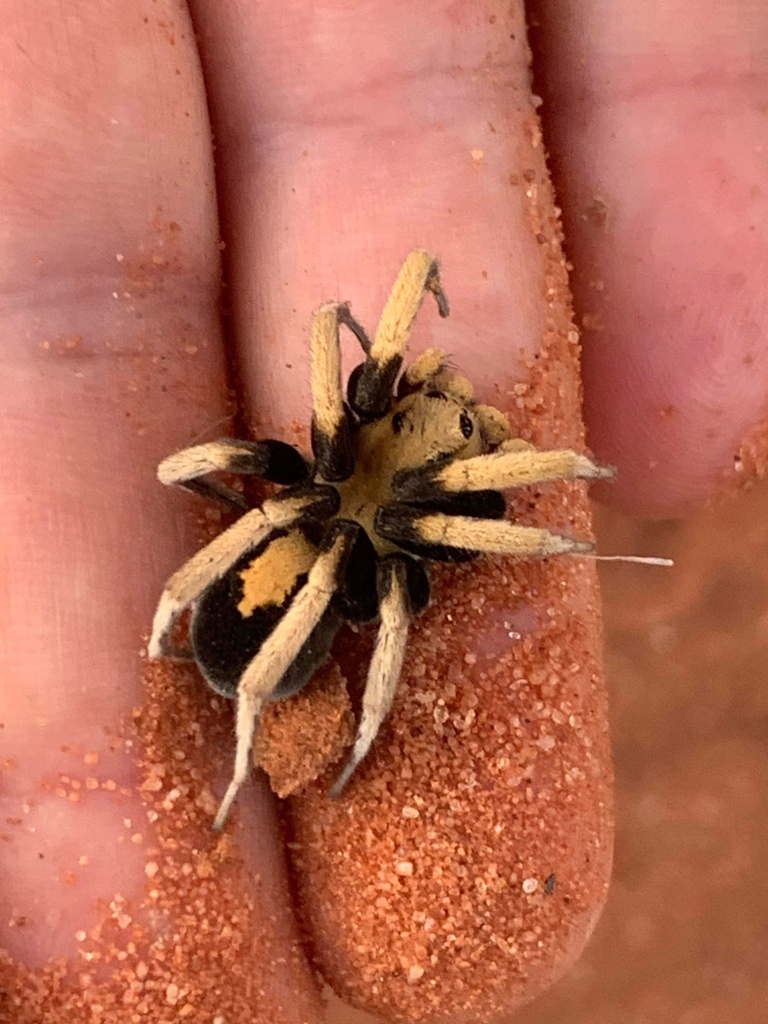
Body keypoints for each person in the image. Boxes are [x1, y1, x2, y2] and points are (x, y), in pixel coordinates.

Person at [1, 2, 764, 1021]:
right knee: (305, 540)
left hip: (316, 544)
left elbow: (344, 350)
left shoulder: (370, 463)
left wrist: (551, 500)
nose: (428, 410)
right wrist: (558, 500)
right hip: (294, 580)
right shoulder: (377, 484)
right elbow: (330, 335)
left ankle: (208, 669)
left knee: (298, 530)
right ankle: (229, 734)